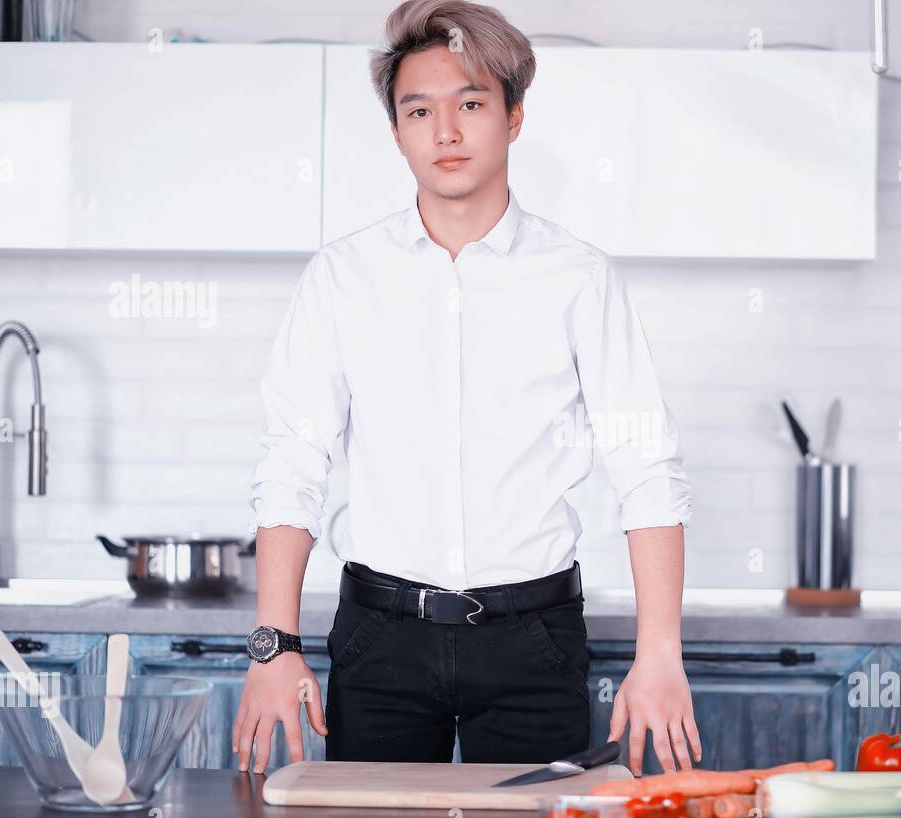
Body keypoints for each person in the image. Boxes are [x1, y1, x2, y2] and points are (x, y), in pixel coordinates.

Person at [232, 0, 698, 778]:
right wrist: (274, 646)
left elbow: (647, 469)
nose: (445, 132)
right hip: (381, 636)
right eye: (421, 110)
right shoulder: (343, 278)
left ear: (513, 118)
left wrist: (660, 656)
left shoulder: (579, 277)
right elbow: (293, 462)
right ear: (398, 132)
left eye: (471, 104)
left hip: (534, 638)